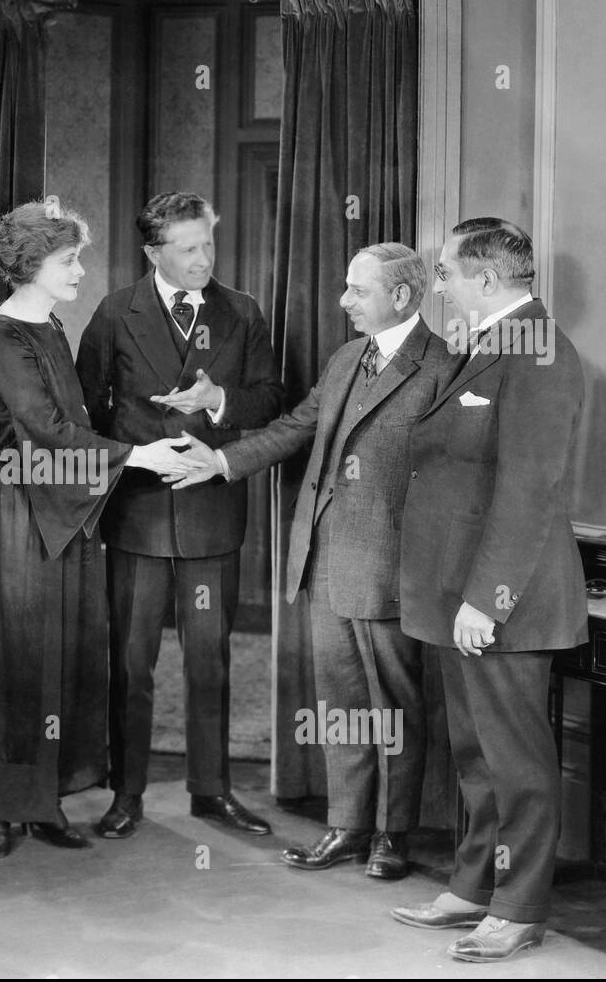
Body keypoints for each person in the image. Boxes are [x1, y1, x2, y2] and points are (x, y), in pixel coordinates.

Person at [170, 243, 460, 879]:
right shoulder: (348, 357)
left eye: (358, 290)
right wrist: (222, 462)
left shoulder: (442, 368)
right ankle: (349, 826)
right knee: (342, 703)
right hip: (323, 558)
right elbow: (298, 426)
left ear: (404, 297)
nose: (344, 301)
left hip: (389, 569)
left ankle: (393, 834)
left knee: (393, 707)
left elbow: (452, 486)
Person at [0, 198, 197, 856]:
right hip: (19, 510)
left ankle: (42, 802)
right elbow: (47, 429)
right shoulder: (3, 336)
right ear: (33, 265)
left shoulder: (51, 326)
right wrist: (136, 454)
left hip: (62, 508)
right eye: (68, 261)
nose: (78, 270)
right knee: (13, 661)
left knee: (59, 659)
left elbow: (72, 425)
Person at [391, 218, 587, 962]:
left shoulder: (538, 351)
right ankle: (474, 886)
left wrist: (487, 597)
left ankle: (521, 906)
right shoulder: (490, 344)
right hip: (456, 591)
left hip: (503, 599)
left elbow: (529, 489)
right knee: (474, 752)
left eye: (444, 273)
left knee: (516, 759)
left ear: (486, 278)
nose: (437, 286)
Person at [76, 192, 284, 840]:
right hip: (137, 518)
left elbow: (273, 397)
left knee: (209, 661)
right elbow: (84, 409)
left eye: (208, 245)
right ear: (153, 251)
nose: (203, 259)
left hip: (211, 516)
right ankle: (127, 794)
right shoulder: (115, 313)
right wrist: (135, 455)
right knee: (132, 663)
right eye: (188, 248)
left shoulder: (242, 312)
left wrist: (220, 399)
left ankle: (211, 792)